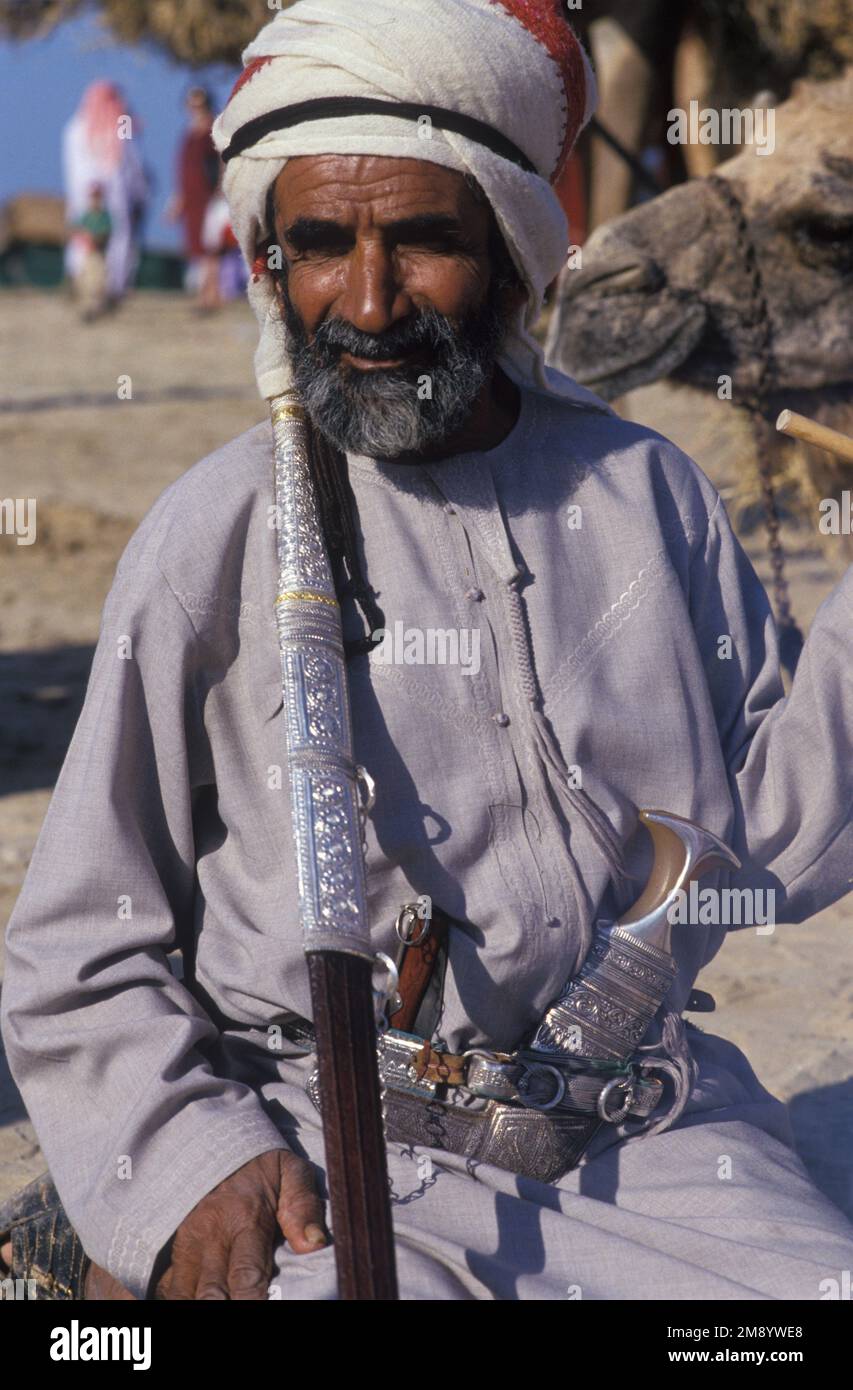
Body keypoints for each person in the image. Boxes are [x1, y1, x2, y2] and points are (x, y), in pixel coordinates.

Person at [2, 0, 852, 1302]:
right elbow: (77, 947)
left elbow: (767, 831)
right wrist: (193, 1155)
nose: (369, 299)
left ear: (511, 255)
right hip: (319, 1137)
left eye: (423, 244)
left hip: (645, 1129)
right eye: (321, 247)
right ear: (270, 262)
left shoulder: (646, 495)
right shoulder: (217, 533)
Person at [62, 80, 149, 305]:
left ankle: (114, 285)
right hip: (96, 196)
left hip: (111, 196)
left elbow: (133, 159)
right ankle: (83, 283)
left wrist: (138, 191)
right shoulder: (80, 125)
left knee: (118, 237)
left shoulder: (120, 121)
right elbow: (133, 160)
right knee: (87, 238)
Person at [164, 87, 221, 298]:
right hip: (192, 197)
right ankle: (203, 292)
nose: (195, 109)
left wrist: (221, 190)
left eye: (199, 104)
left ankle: (211, 293)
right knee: (197, 245)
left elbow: (222, 161)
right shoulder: (188, 133)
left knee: (212, 244)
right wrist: (177, 201)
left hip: (210, 196)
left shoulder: (214, 129)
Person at [68, 182, 112, 321]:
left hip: (99, 254)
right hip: (87, 254)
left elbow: (106, 234)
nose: (95, 200)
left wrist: (96, 238)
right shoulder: (86, 216)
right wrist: (84, 236)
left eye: (97, 197)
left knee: (98, 282)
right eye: (93, 197)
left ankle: (96, 308)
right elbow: (74, 229)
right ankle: (86, 309)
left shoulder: (104, 217)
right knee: (85, 282)